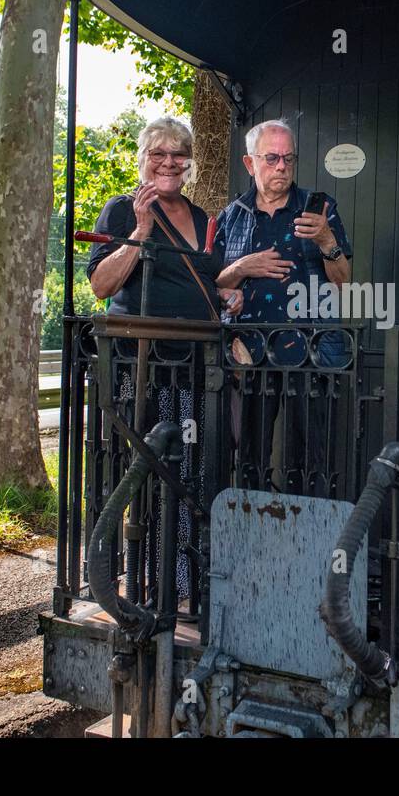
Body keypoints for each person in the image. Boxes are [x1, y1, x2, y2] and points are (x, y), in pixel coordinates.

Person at [85, 115, 242, 604]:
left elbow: (205, 283)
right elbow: (101, 285)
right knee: (142, 472)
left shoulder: (203, 218)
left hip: (195, 368)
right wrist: (142, 227)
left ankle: (181, 581)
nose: (170, 163)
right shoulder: (120, 210)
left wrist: (226, 298)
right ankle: (133, 582)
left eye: (178, 154)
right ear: (143, 159)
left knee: (189, 474)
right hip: (143, 369)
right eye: (159, 154)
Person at [214, 118, 354, 495]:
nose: (281, 167)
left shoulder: (319, 208)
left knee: (310, 461)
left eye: (288, 159)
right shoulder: (232, 215)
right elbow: (212, 284)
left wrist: (326, 240)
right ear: (250, 163)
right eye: (272, 158)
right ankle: (254, 543)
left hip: (311, 352)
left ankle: (311, 549)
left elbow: (343, 281)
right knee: (250, 459)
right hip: (250, 355)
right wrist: (244, 267)